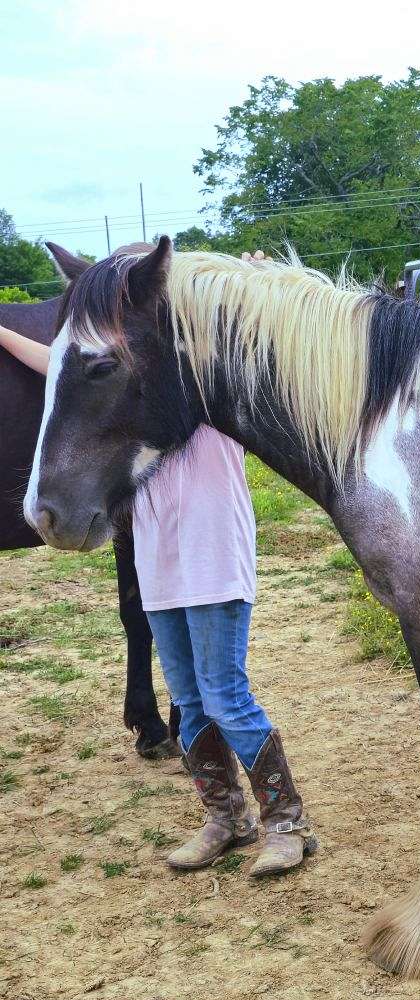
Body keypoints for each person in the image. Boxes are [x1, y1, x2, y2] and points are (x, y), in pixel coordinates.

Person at [2, 249, 317, 877]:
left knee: (226, 695)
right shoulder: (124, 389)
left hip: (213, 562)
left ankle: (286, 822)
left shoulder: (206, 382)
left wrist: (253, 275)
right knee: (189, 700)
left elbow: (266, 333)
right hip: (159, 567)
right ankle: (225, 818)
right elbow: (61, 363)